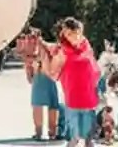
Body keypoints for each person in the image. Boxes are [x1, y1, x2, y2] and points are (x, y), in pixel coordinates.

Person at [46, 17, 99, 147]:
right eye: (67, 34)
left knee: (89, 139)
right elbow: (53, 73)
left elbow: (95, 68)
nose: (71, 37)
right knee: (73, 139)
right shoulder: (62, 51)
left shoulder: (86, 45)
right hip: (72, 99)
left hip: (89, 98)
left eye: (72, 33)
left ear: (78, 31)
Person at [20, 27, 62, 140]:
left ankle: (47, 132)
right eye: (29, 37)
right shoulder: (32, 50)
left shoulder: (42, 47)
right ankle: (45, 132)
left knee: (46, 105)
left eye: (33, 37)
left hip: (45, 77)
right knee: (42, 105)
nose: (31, 40)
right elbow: (29, 75)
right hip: (44, 78)